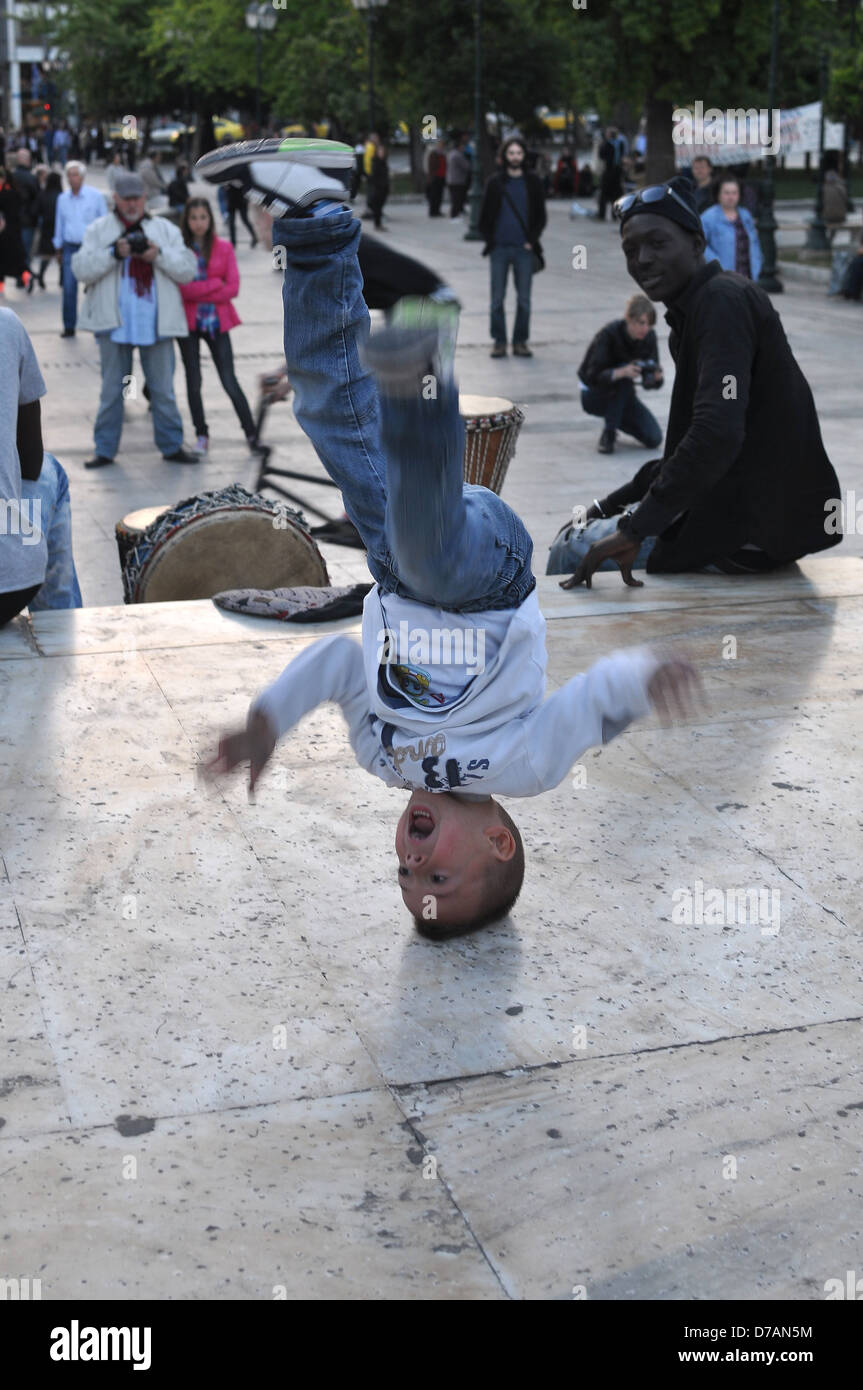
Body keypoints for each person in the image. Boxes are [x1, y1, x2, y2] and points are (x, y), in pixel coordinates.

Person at [196, 137, 699, 937]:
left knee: (329, 413)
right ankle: (424, 346)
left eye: (402, 871)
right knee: (427, 548)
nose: (412, 858)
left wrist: (267, 721)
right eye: (438, 875)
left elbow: (337, 662)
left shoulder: (379, 755)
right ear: (498, 841)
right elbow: (589, 707)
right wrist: (645, 675)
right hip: (482, 576)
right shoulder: (522, 767)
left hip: (401, 563)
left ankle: (316, 212)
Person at [547, 178, 843, 584]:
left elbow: (715, 433)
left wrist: (634, 529)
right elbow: (688, 449)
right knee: (585, 529)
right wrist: (607, 506)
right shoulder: (695, 313)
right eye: (631, 250)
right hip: (752, 512)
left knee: (569, 547)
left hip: (749, 532)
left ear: (697, 243)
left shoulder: (721, 302)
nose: (642, 260)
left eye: (657, 243)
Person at [71, 171, 198, 468]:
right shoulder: (99, 231)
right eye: (125, 198)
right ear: (115, 198)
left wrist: (158, 255)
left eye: (136, 198)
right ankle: (104, 450)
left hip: (157, 324)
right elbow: (80, 269)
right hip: (114, 325)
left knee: (163, 390)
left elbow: (187, 270)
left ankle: (172, 446)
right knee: (111, 392)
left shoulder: (164, 229)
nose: (131, 204)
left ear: (145, 198)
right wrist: (113, 254)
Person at [0, 308, 82, 625]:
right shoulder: (6, 324)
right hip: (8, 588)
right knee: (52, 472)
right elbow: (30, 461)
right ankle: (59, 633)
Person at [176, 197, 262, 457]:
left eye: (203, 217)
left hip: (217, 322)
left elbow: (233, 288)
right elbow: (183, 290)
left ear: (210, 219)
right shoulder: (180, 250)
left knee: (228, 379)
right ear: (187, 221)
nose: (199, 223)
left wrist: (202, 290)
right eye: (193, 218)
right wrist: (215, 284)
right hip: (190, 323)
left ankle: (250, 431)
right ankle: (201, 434)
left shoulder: (224, 248)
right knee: (194, 381)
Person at [478, 136, 546, 358]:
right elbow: (484, 216)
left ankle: (520, 342)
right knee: (497, 299)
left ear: (523, 156)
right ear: (505, 156)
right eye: (511, 153)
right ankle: (499, 341)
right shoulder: (495, 183)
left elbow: (540, 216)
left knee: (524, 300)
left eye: (519, 153)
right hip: (499, 249)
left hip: (523, 250)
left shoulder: (533, 182)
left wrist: (532, 240)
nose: (515, 157)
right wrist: (491, 240)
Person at [578, 293, 664, 454]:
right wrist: (620, 372)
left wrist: (655, 378)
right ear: (629, 319)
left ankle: (614, 419)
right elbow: (591, 376)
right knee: (624, 377)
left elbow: (650, 380)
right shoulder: (608, 334)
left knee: (654, 438)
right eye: (641, 323)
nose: (645, 329)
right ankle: (609, 434)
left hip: (623, 397)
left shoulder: (649, 337)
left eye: (649, 325)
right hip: (594, 395)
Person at [52, 161, 107, 338]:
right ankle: (69, 325)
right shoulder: (63, 199)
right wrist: (58, 247)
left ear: (82, 177)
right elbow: (59, 223)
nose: (72, 178)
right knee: (69, 287)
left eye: (75, 175)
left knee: (95, 287)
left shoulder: (95, 196)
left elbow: (104, 221)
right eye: (69, 175)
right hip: (70, 247)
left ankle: (98, 324)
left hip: (91, 247)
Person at [700, 174, 762, 280]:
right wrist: (716, 263)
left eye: (734, 193)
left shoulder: (745, 215)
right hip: (722, 278)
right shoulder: (708, 217)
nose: (731, 197)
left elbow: (755, 243)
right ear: (718, 194)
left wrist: (757, 263)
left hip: (748, 278)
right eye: (726, 193)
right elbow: (700, 245)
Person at [33, 169, 62, 290]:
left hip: (46, 228)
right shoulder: (61, 196)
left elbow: (35, 211)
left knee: (46, 256)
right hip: (58, 228)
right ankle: (62, 279)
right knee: (60, 255)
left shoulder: (43, 194)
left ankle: (41, 275)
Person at [11, 149, 39, 276]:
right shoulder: (31, 178)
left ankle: (20, 276)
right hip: (27, 220)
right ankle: (23, 277)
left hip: (13, 220)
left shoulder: (10, 177)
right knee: (25, 250)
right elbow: (37, 198)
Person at [0, 166, 28, 289]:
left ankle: (25, 277)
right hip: (12, 231)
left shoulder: (8, 193)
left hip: (9, 232)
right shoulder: (12, 191)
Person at [597, 125, 627, 220]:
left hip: (610, 170)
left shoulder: (606, 144)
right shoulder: (620, 143)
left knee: (605, 193)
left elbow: (601, 156)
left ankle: (602, 214)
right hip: (616, 170)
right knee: (616, 194)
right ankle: (614, 214)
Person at [366, 136, 390, 231]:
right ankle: (377, 224)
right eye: (380, 151)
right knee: (377, 207)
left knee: (380, 206)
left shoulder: (383, 162)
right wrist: (378, 185)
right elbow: (374, 176)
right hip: (378, 188)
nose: (381, 153)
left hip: (384, 187)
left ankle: (379, 224)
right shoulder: (375, 162)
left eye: (382, 152)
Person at [446, 133, 471, 218]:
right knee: (457, 199)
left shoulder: (451, 153)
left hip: (452, 179)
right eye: (462, 146)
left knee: (456, 199)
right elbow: (466, 166)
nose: (464, 148)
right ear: (459, 147)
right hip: (457, 180)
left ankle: (456, 213)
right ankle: (454, 215)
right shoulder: (458, 155)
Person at [226, 180, 257, 247]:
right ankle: (233, 243)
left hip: (241, 198)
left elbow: (248, 183)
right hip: (231, 198)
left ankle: (254, 237)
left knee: (245, 219)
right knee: (231, 223)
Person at [424, 138, 447, 217]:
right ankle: (432, 211)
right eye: (440, 145)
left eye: (442, 145)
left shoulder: (443, 154)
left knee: (439, 195)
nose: (441, 146)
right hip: (435, 177)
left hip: (442, 177)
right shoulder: (433, 154)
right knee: (434, 196)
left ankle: (437, 211)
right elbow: (430, 166)